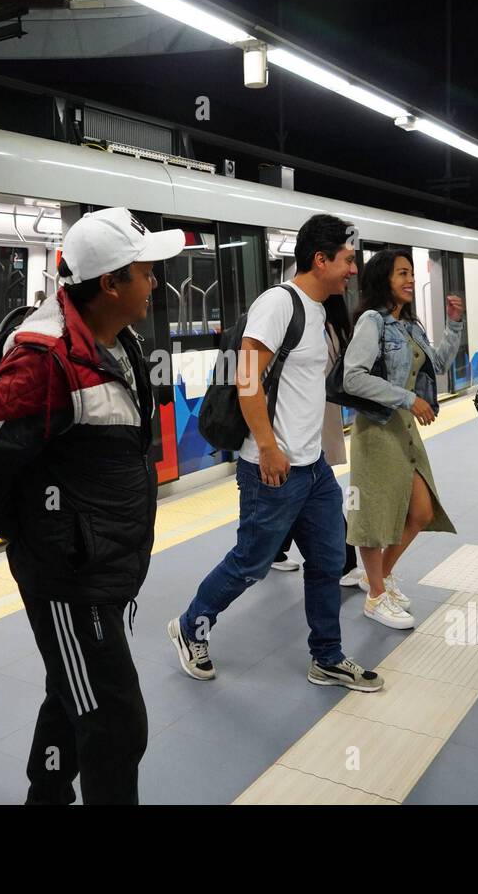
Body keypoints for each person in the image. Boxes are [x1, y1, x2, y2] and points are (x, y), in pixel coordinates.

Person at [0, 207, 181, 804]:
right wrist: (38, 535)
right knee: (118, 725)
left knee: (71, 690)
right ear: (110, 284)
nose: (157, 284)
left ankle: (45, 797)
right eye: (146, 273)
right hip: (71, 580)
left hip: (102, 564)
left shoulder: (116, 342)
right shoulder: (46, 363)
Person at [168, 214, 384, 692]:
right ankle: (190, 626)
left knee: (329, 562)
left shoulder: (322, 310)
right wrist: (267, 447)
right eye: (347, 261)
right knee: (250, 562)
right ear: (320, 259)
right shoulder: (278, 304)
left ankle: (326, 657)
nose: (352, 270)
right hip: (273, 467)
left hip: (313, 470)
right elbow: (247, 378)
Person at [342, 249, 464, 629]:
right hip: (376, 431)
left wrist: (455, 325)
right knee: (373, 516)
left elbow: (439, 365)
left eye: (411, 274)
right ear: (384, 280)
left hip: (404, 430)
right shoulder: (371, 322)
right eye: (402, 274)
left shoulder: (409, 325)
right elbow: (353, 377)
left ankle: (377, 577)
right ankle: (376, 596)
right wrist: (409, 399)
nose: (410, 280)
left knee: (421, 512)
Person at [269, 294, 364, 586]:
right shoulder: (316, 322)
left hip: (316, 422)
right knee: (323, 494)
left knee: (304, 495)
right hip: (306, 426)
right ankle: (347, 563)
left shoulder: (327, 323)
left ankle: (277, 549)